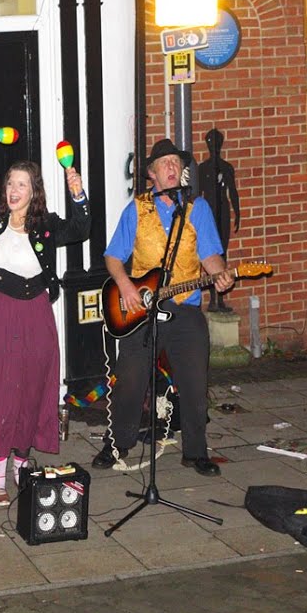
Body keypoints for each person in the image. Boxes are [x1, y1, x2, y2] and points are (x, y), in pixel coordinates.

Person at [0, 127, 90, 508]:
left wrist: (77, 191)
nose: (13, 190)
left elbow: (82, 228)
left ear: (35, 191)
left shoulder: (46, 225)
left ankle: (21, 463)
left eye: (22, 185)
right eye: (10, 183)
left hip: (35, 315)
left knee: (30, 387)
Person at [92, 138, 235, 477]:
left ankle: (196, 452)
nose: (173, 168)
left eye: (176, 162)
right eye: (165, 163)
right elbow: (113, 256)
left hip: (185, 307)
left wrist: (220, 276)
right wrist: (126, 286)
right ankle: (117, 444)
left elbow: (211, 256)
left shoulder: (197, 208)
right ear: (152, 174)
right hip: (142, 309)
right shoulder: (136, 210)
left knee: (195, 379)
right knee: (130, 378)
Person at [198, 127, 239, 313]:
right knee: (210, 252)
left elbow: (233, 192)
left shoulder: (227, 167)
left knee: (222, 252)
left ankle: (219, 298)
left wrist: (237, 213)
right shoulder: (203, 168)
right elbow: (198, 195)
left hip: (223, 210)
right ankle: (213, 298)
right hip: (208, 212)